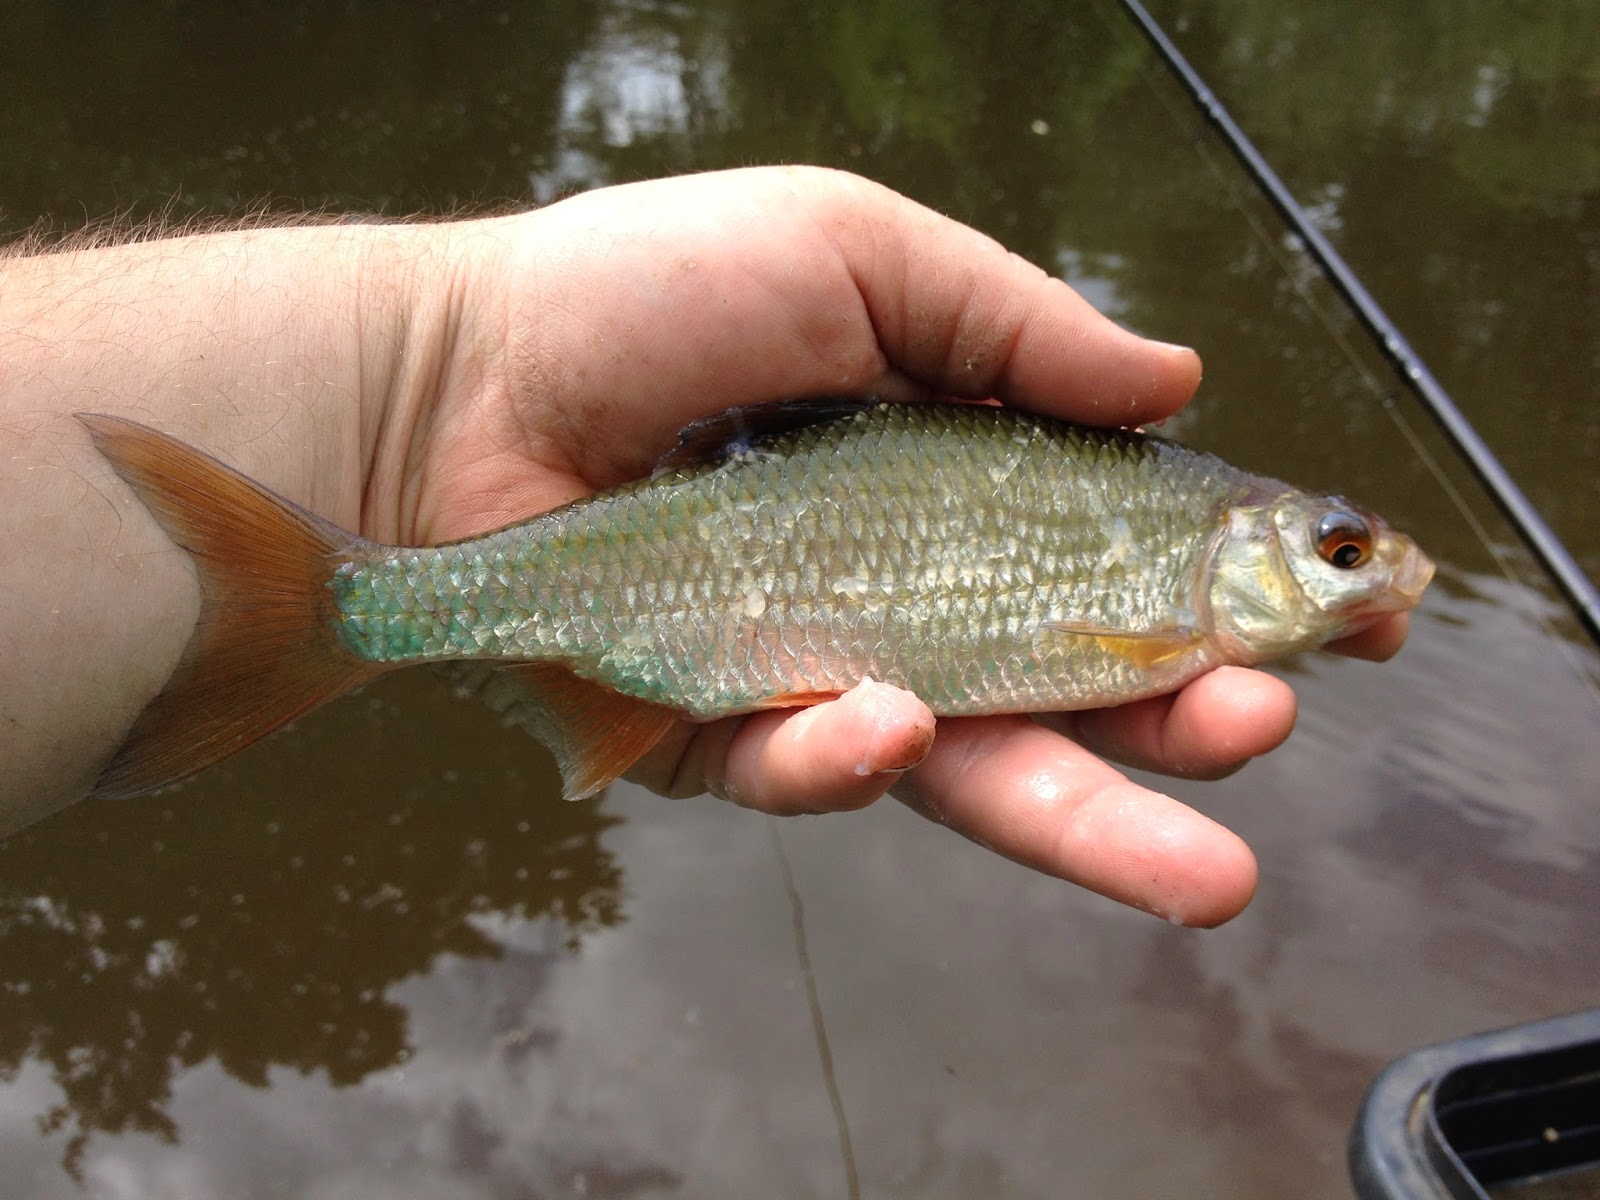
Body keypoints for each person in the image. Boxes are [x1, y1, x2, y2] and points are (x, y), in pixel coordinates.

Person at [0, 166, 1406, 925]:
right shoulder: (1173, 596)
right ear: (1242, 537)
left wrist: (409, 372)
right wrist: (418, 369)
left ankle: (326, 613)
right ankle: (331, 610)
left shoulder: (1178, 580)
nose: (1371, 574)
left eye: (1345, 554)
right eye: (1340, 551)